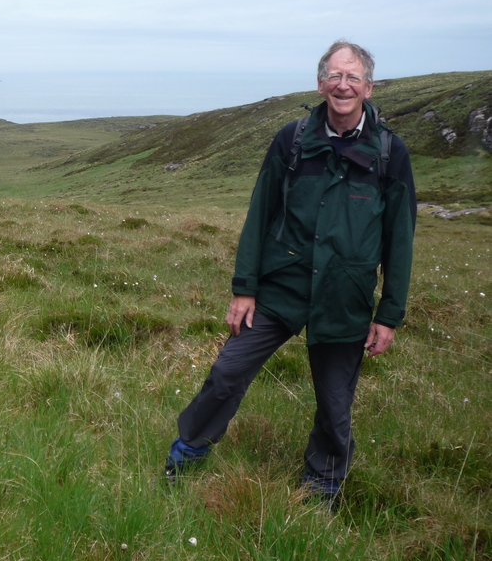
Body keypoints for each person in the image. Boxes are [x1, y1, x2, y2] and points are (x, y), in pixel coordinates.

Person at [165, 40, 416, 505]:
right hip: (282, 287)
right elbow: (261, 213)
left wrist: (389, 314)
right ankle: (188, 452)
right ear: (320, 84)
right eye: (335, 76)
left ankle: (323, 484)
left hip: (346, 295)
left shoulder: (388, 152)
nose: (343, 85)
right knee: (227, 372)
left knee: (335, 403)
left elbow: (400, 238)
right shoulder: (293, 138)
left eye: (353, 77)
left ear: (369, 86)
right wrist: (245, 287)